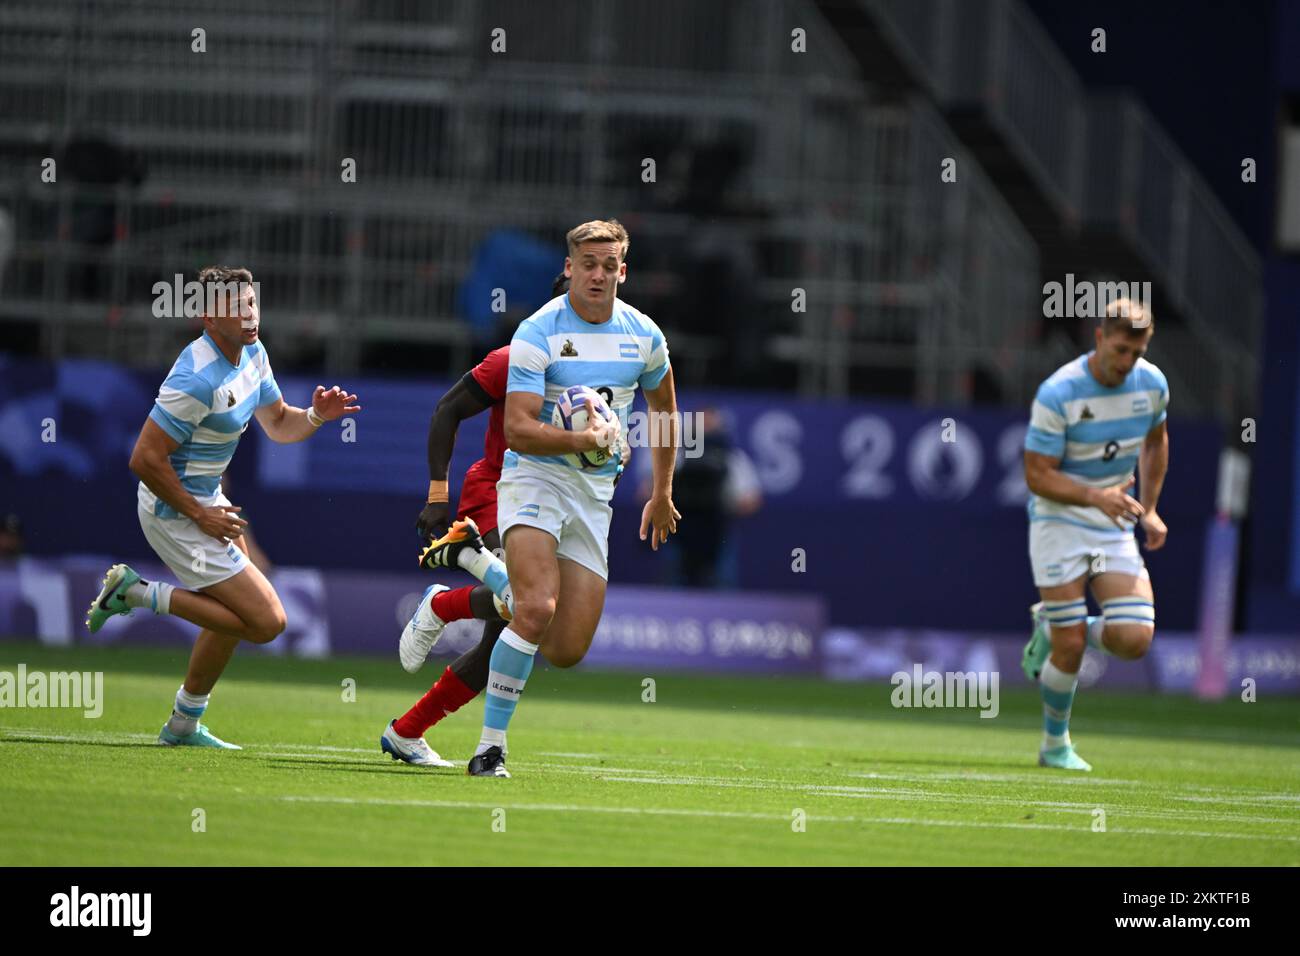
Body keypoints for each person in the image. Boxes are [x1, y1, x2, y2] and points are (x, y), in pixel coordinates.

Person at [85, 266, 360, 748]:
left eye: (252, 303)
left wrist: (316, 415)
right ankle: (135, 593)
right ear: (209, 317)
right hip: (175, 513)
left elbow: (278, 424)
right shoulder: (195, 377)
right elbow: (144, 459)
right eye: (237, 307)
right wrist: (200, 514)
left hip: (208, 502)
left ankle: (183, 723)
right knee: (267, 621)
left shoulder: (253, 352)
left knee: (231, 614)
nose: (250, 315)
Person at [452, 218, 680, 778]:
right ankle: (489, 750)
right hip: (534, 479)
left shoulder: (645, 335)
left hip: (592, 496)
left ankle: (476, 565)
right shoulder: (538, 330)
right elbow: (521, 429)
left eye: (609, 266)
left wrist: (662, 490)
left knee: (566, 648)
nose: (598, 275)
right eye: (588, 265)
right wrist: (586, 439)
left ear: (622, 271)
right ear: (569, 269)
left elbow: (666, 411)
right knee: (536, 609)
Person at [382, 273, 626, 767]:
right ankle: (452, 588)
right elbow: (448, 409)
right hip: (498, 491)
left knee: (513, 629)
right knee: (529, 610)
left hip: (563, 500)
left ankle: (407, 730)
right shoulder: (518, 358)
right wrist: (437, 492)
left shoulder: (609, 370)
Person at [1020, 298, 1168, 771]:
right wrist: (1096, 496)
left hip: (1111, 526)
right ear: (1100, 338)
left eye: (1137, 352)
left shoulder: (1152, 385)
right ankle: (1054, 745)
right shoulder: (1058, 392)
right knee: (1069, 650)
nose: (1128, 362)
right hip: (1058, 523)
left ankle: (1059, 626)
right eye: (1121, 349)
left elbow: (1156, 440)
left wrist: (1150, 509)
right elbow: (1037, 476)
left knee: (1134, 638)